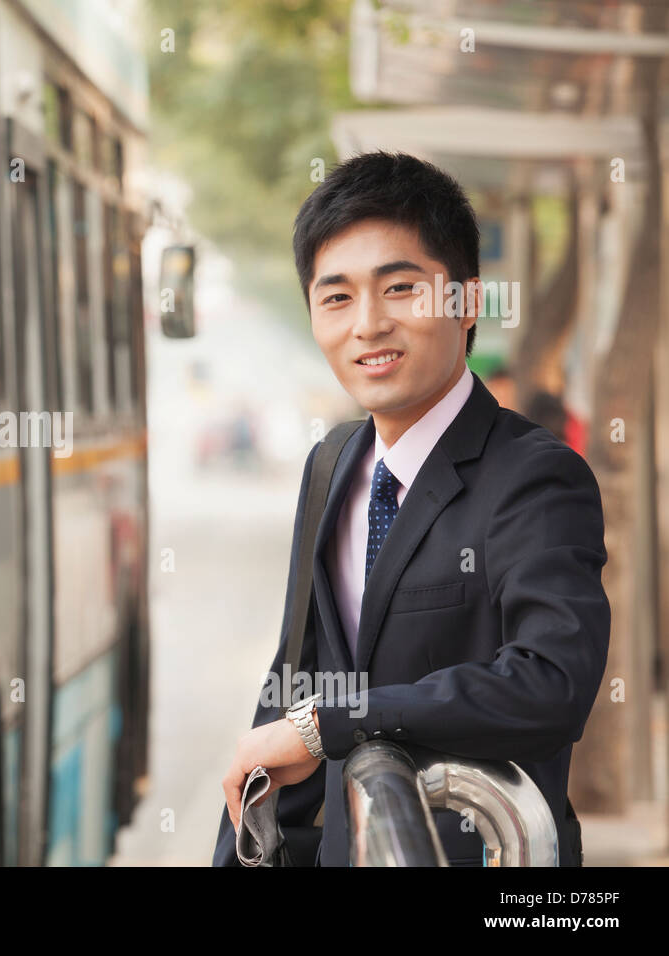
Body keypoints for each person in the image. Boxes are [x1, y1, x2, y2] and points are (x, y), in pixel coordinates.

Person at [212, 152, 609, 867]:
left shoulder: (536, 475)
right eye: (336, 298)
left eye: (399, 288)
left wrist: (325, 727)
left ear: (466, 302)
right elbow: (294, 685)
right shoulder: (330, 464)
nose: (368, 324)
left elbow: (551, 685)